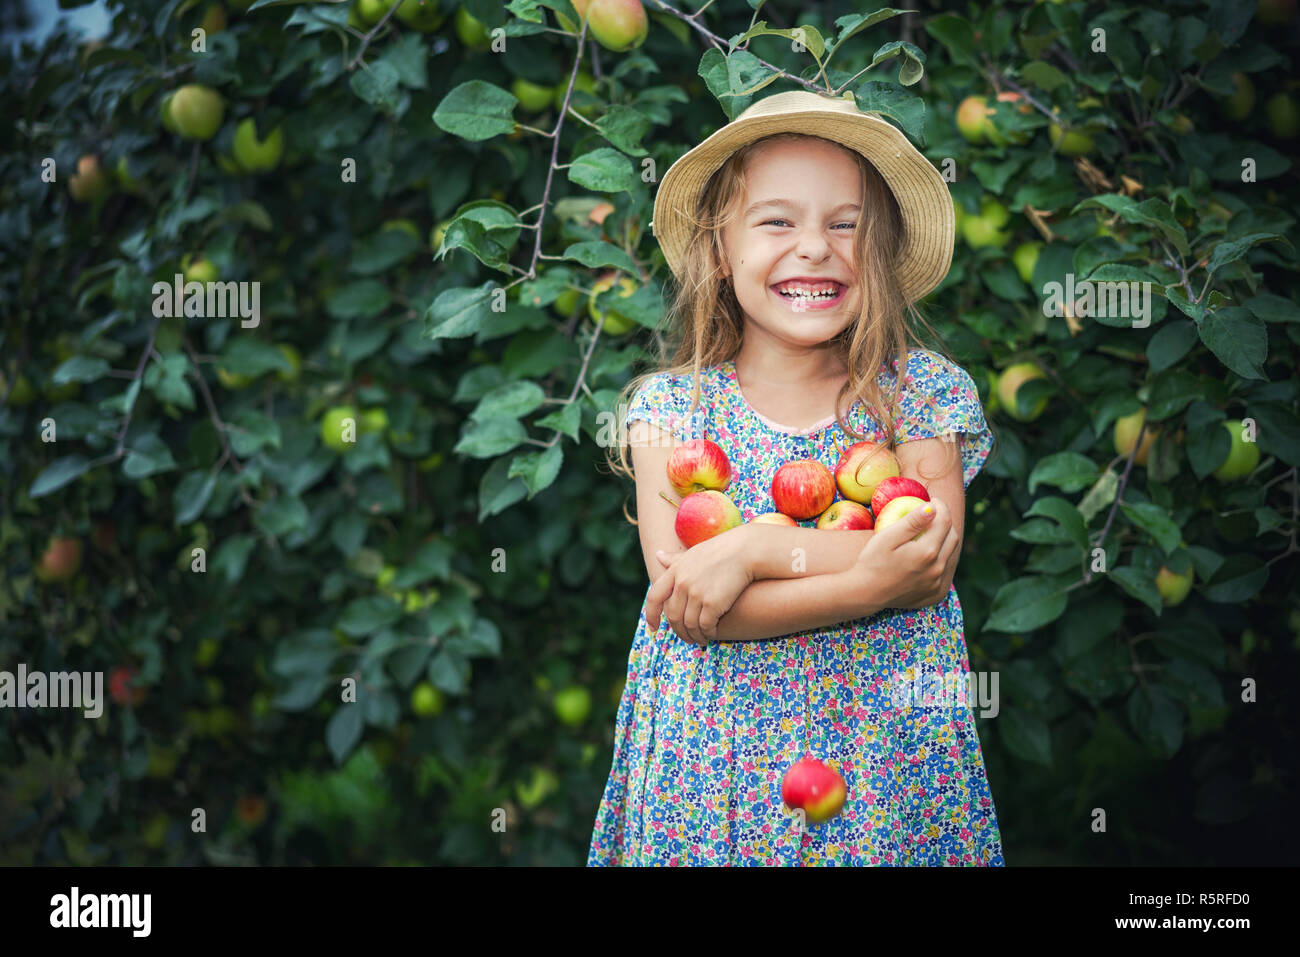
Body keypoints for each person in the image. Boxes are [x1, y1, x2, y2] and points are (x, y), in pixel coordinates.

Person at [588, 90, 1004, 866]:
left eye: (845, 225)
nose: (816, 248)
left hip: (884, 766)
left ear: (874, 253)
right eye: (777, 221)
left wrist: (750, 552)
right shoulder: (670, 413)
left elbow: (925, 558)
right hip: (713, 775)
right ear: (719, 251)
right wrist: (864, 576)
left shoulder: (921, 395)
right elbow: (692, 604)